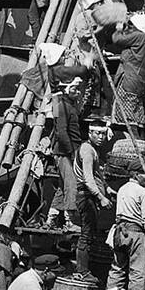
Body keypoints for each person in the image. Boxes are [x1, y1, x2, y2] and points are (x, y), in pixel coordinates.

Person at [106, 163, 145, 290]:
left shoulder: (122, 189)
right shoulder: (142, 192)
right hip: (135, 233)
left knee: (117, 269)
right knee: (139, 270)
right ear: (135, 175)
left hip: (119, 233)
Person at [72, 120, 112, 283]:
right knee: (86, 235)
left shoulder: (93, 149)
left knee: (89, 233)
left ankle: (84, 268)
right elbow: (88, 178)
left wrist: (107, 189)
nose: (101, 137)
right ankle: (81, 271)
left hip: (90, 196)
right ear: (90, 134)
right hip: (87, 196)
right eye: (97, 133)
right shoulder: (88, 151)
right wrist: (101, 197)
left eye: (103, 133)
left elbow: (96, 174)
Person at [48, 75, 85, 229]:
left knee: (63, 185)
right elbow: (61, 132)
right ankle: (70, 220)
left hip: (67, 149)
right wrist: (71, 152)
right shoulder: (61, 106)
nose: (77, 92)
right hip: (64, 151)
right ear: (65, 89)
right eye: (74, 89)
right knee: (71, 183)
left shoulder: (68, 105)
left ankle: (52, 216)